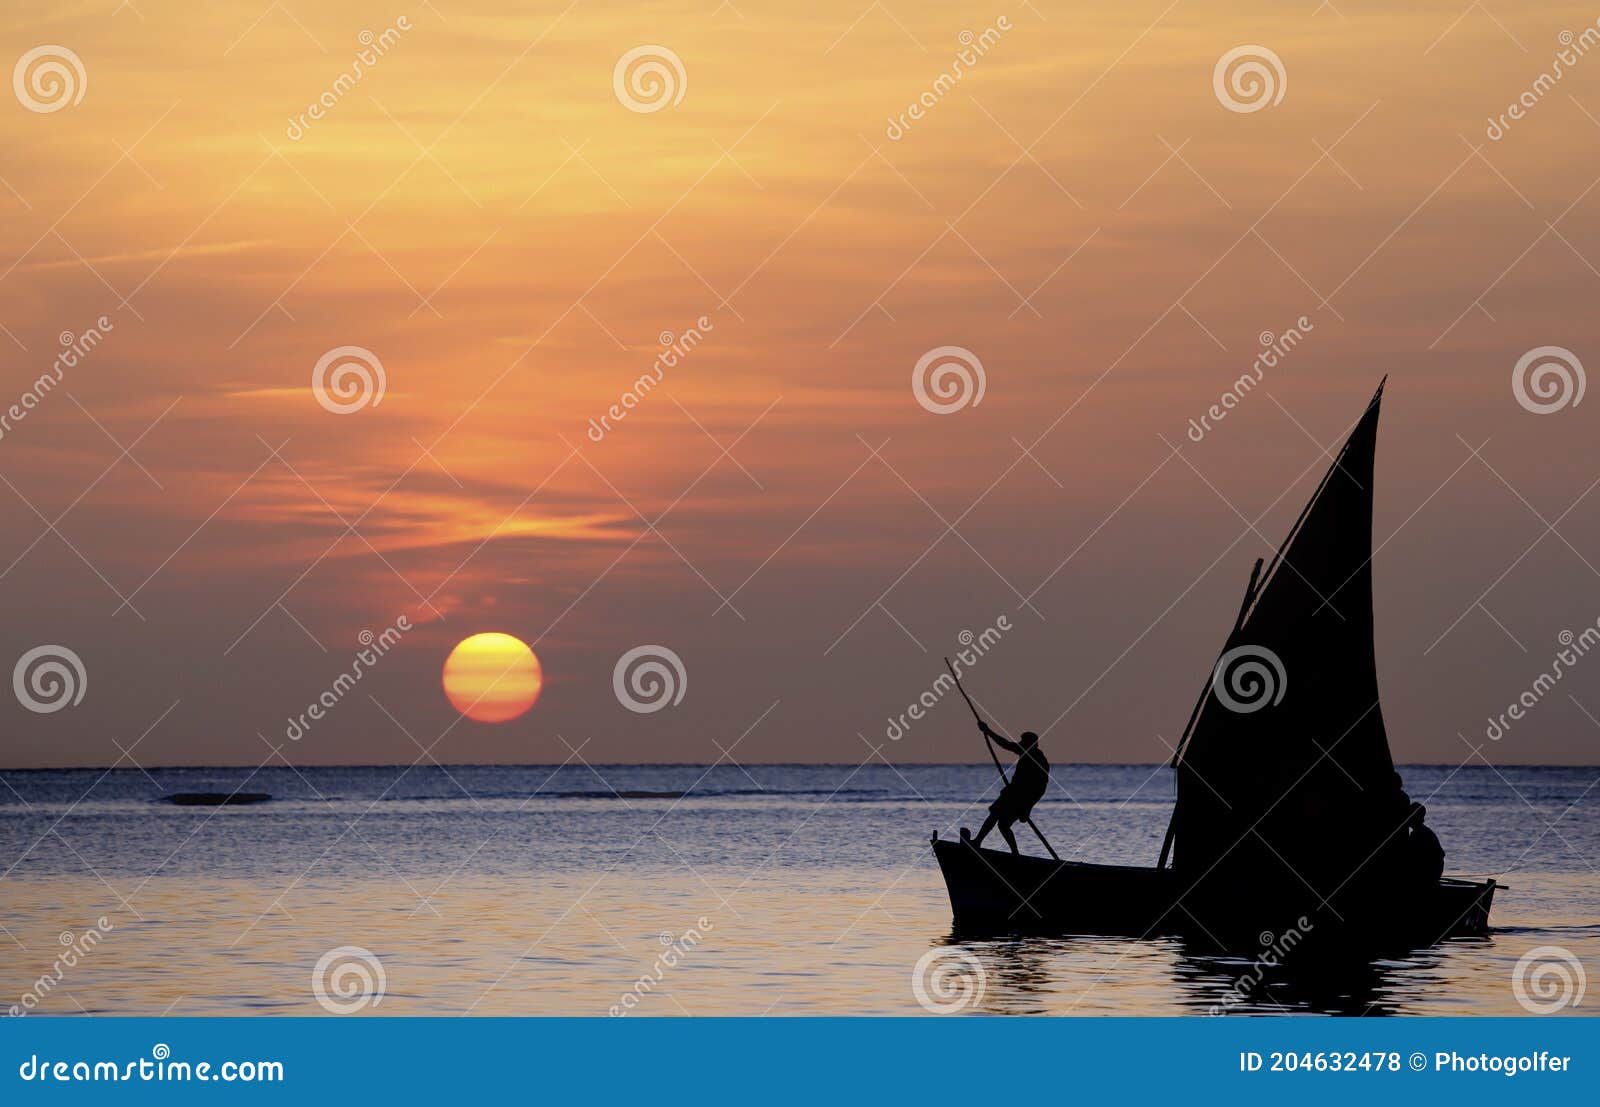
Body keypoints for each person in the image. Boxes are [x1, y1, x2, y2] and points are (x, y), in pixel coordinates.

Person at [963, 721, 1049, 854]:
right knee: (995, 815)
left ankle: (1014, 853)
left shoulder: (1038, 759)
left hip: (1020, 798)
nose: (1020, 743)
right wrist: (987, 731)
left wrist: (1027, 808)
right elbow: (1006, 745)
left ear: (1031, 744)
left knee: (1002, 823)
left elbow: (1041, 788)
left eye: (1023, 742)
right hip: (1012, 793)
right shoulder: (1025, 752)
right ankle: (978, 842)